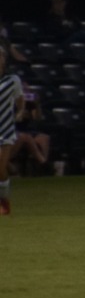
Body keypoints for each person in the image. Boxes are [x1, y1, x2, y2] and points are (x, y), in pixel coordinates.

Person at [0, 52, 22, 213]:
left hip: (5, 128)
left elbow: (20, 99)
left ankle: (4, 202)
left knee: (0, 167)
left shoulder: (13, 80)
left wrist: (20, 112)